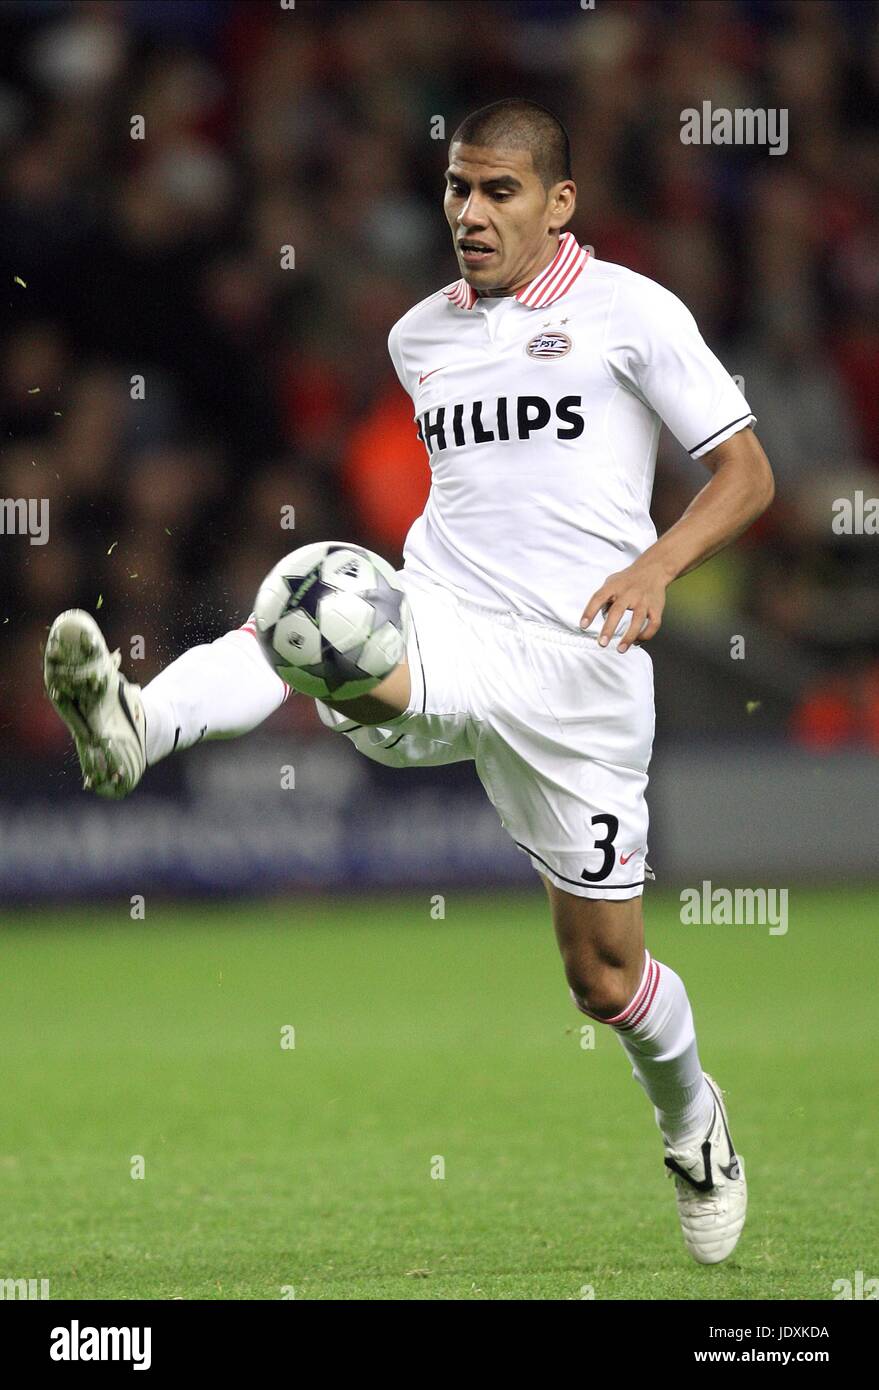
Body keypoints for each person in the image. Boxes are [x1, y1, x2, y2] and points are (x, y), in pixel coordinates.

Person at [44, 99, 774, 1265]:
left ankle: (695, 1124)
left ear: (559, 201)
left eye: (499, 191)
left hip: (582, 674)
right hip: (443, 624)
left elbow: (746, 473)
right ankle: (142, 723)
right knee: (308, 601)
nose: (470, 214)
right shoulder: (420, 336)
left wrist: (657, 562)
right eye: (455, 189)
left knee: (606, 979)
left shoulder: (636, 313)